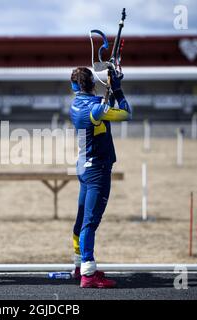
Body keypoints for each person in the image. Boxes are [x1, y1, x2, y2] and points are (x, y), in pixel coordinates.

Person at [69, 67, 132, 288]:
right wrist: (117, 89)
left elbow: (101, 106)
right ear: (92, 84)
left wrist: (110, 89)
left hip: (84, 169)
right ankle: (88, 273)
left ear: (74, 87)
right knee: (90, 222)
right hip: (97, 171)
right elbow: (126, 113)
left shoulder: (76, 104)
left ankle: (79, 265)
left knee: (81, 219)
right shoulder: (96, 109)